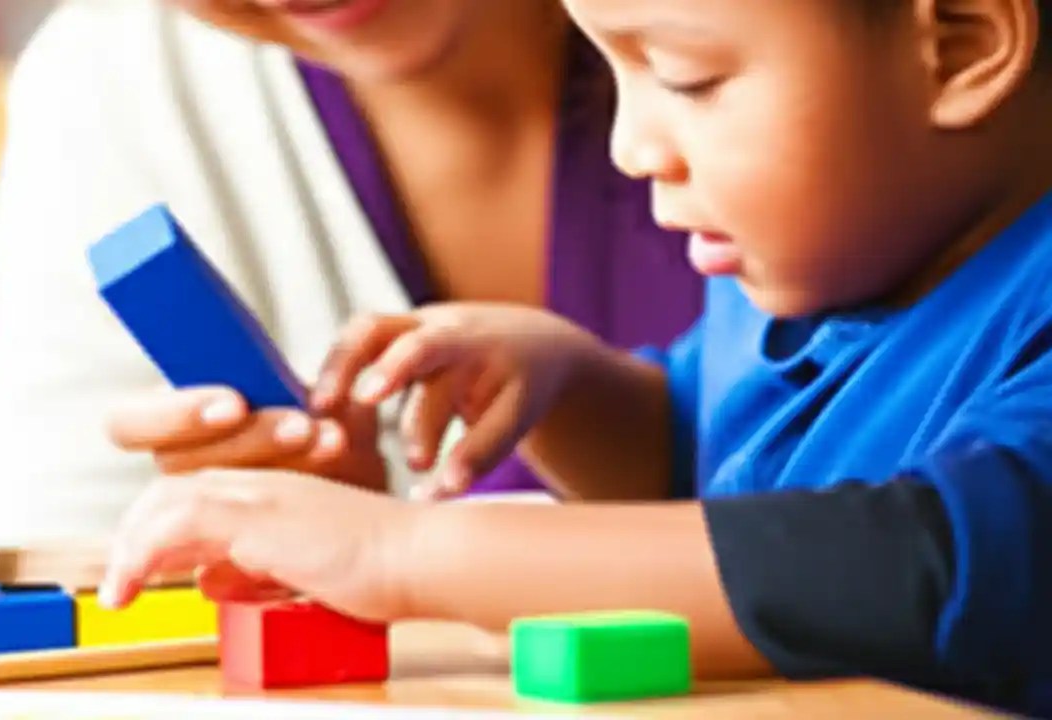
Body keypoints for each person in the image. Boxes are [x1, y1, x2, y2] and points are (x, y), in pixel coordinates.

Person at [98, 0, 1052, 713]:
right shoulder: (817, 269)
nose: (634, 145)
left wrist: (404, 554)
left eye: (686, 78)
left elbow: (926, 558)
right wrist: (569, 389)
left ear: (962, 45)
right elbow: (704, 473)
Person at [0, 0, 703, 544]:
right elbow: (54, 576)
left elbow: (798, 540)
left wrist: (396, 556)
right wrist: (253, 553)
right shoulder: (116, 91)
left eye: (698, 80)